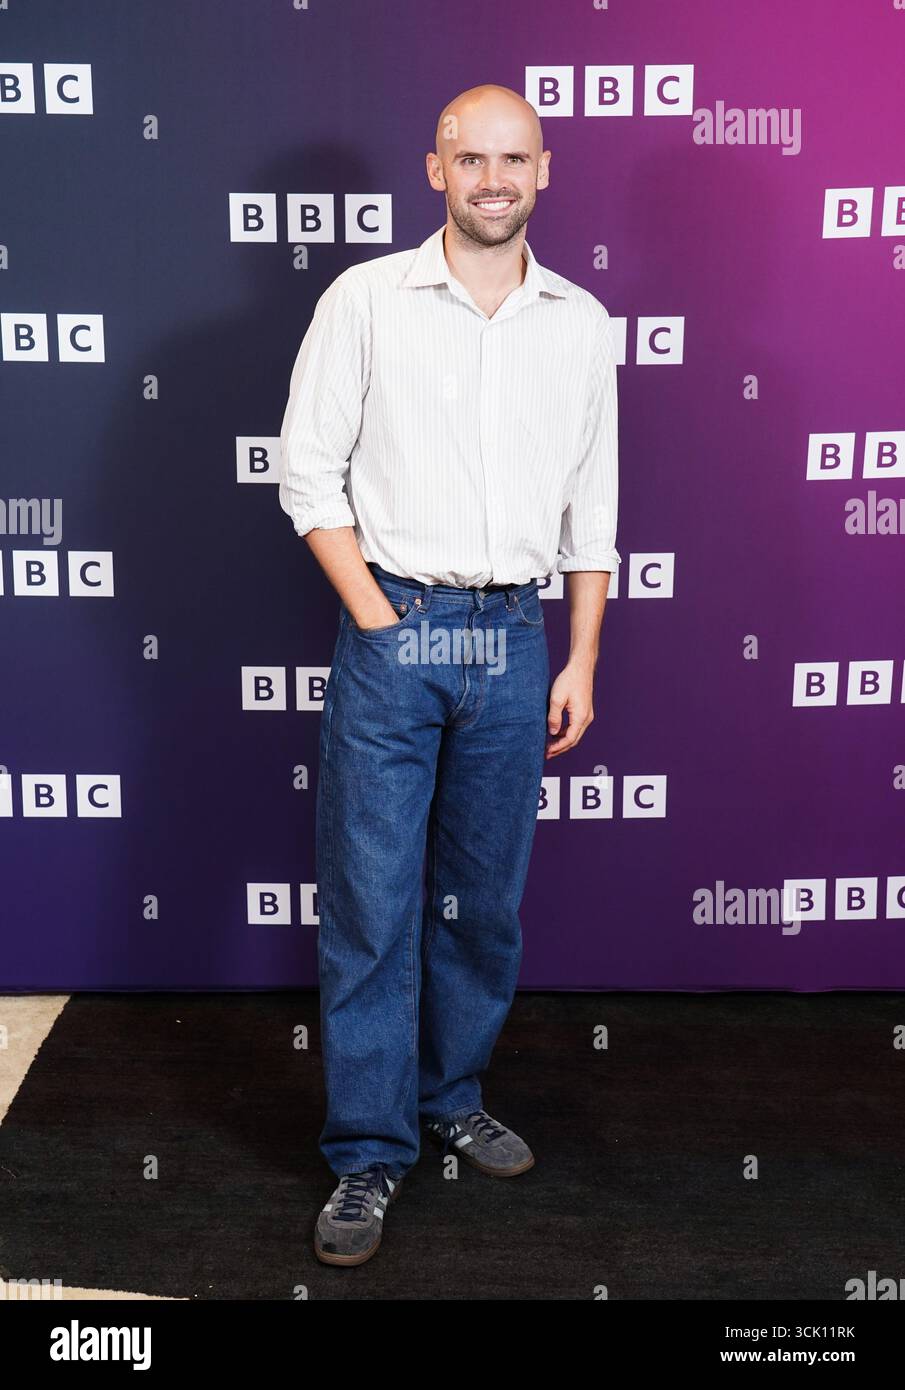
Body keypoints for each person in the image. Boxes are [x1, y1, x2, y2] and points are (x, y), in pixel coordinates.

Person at [278, 82, 621, 1266]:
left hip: (514, 641)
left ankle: (450, 1098)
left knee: (481, 908)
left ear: (542, 171)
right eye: (468, 157)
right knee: (371, 910)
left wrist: (577, 654)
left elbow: (592, 508)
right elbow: (305, 476)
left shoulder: (580, 322)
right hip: (398, 627)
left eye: (511, 159)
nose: (490, 178)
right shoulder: (365, 300)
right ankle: (367, 1155)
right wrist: (379, 622)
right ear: (433, 169)